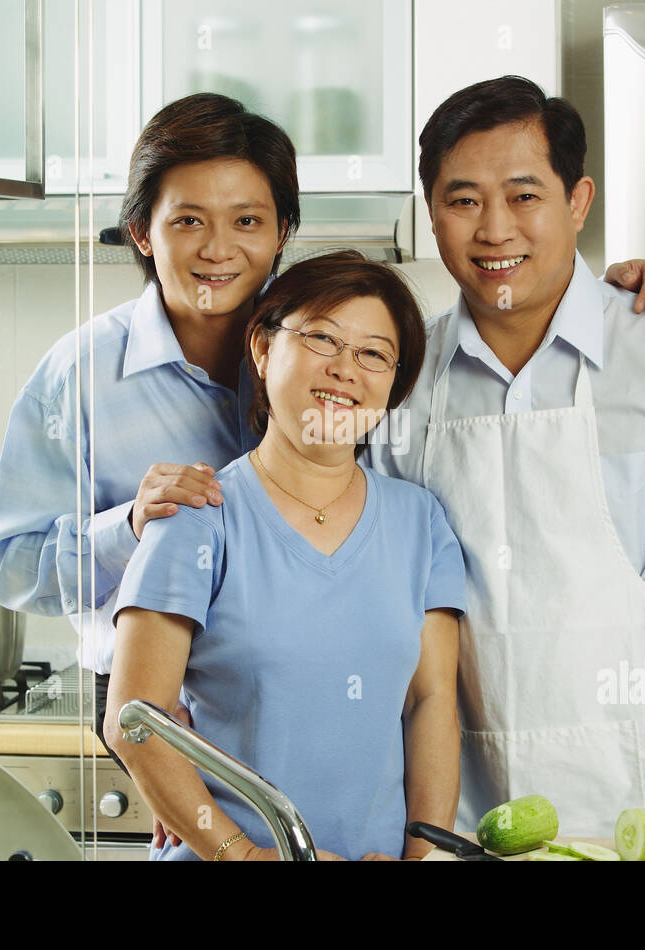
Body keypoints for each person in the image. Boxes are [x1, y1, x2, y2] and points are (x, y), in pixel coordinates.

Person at [0, 92, 645, 776]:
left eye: (247, 221)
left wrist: (604, 294)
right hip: (159, 694)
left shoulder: (320, 351)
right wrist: (132, 526)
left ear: (283, 232)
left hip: (326, 688)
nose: (219, 248)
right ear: (141, 232)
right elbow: (3, 563)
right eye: (187, 220)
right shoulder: (82, 376)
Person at [365, 76, 645, 860]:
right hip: (467, 827)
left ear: (578, 203)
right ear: (430, 211)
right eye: (463, 200)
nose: (494, 229)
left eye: (524, 195)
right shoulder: (397, 375)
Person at [104, 251, 465, 861]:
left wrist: (419, 856)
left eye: (374, 354)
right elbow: (134, 722)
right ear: (264, 349)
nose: (345, 369)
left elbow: (431, 702)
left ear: (393, 384)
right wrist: (247, 856)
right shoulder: (197, 517)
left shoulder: (420, 522)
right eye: (322, 338)